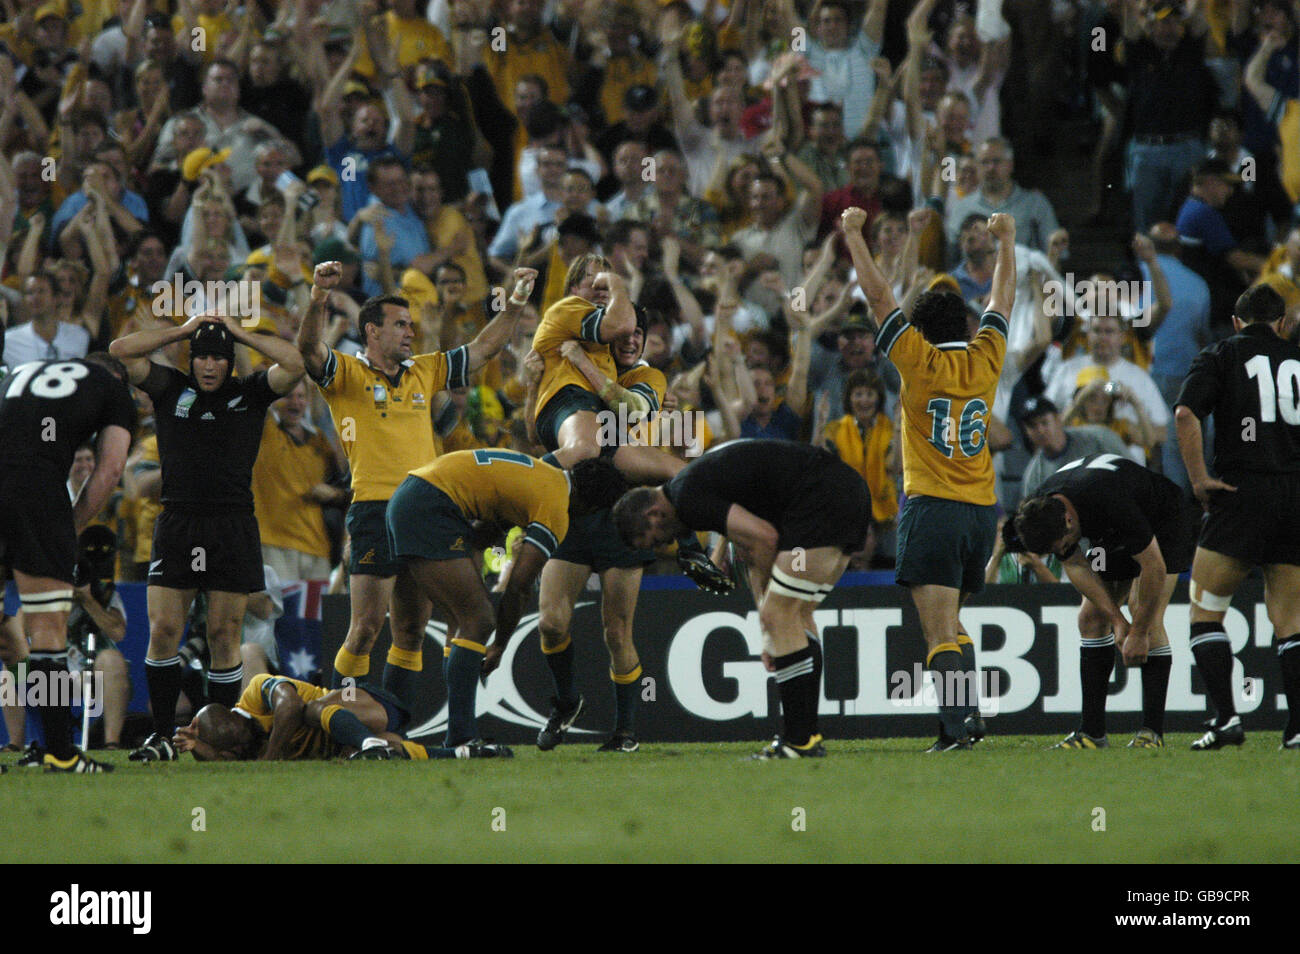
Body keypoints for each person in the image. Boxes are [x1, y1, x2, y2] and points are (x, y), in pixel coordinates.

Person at [295, 263, 537, 704]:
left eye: (410, 324)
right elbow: (309, 348)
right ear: (372, 331)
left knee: (411, 630)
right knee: (365, 627)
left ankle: (394, 724)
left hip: (423, 511)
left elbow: (484, 348)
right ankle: (338, 717)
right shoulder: (346, 374)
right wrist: (318, 297)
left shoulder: (425, 370)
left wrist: (517, 300)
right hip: (374, 509)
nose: (410, 332)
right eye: (400, 324)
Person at [841, 205, 1017, 752]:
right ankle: (972, 717)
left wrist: (853, 233)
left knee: (937, 630)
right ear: (966, 326)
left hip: (933, 508)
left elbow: (878, 297)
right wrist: (1007, 241)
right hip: (980, 512)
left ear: (918, 330)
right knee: (953, 621)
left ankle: (955, 729)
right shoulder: (987, 356)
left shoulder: (916, 359)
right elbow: (1003, 300)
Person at [108, 312, 307, 762]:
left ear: (230, 361)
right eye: (202, 357)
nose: (210, 366)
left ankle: (218, 739)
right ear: (191, 359)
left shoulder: (250, 392)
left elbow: (295, 364)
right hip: (178, 522)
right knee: (164, 629)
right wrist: (184, 330)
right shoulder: (170, 387)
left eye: (218, 357)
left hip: (231, 524)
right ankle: (162, 737)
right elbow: (120, 351)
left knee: (224, 633)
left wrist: (239, 333)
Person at [613, 439, 871, 758]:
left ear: (653, 514)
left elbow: (764, 540)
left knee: (779, 615)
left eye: (653, 539)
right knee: (796, 617)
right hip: (843, 493)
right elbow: (752, 550)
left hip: (822, 500)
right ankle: (807, 737)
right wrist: (770, 623)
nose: (663, 545)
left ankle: (798, 741)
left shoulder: (687, 499)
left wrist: (768, 624)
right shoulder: (691, 488)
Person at [385, 450, 627, 755]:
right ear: (591, 507)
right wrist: (499, 644)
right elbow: (519, 586)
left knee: (444, 624)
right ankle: (461, 738)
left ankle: (392, 734)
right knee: (479, 619)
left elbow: (482, 533)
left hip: (409, 493)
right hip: (432, 506)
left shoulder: (542, 474)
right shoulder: (556, 509)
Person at [528, 308, 672, 753]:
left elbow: (626, 410)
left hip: (622, 517)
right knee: (551, 624)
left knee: (616, 631)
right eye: (623, 334)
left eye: (638, 334)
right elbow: (538, 435)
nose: (631, 341)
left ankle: (625, 731)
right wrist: (534, 384)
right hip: (571, 512)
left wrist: (580, 361)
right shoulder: (577, 370)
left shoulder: (648, 377)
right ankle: (566, 702)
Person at [1174, 285, 1300, 751]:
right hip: (1294, 496)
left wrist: (1198, 479)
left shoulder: (1222, 354)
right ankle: (1297, 729)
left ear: (1235, 322)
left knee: (1205, 611)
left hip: (1242, 491)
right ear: (1282, 324)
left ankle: (1226, 719)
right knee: (1291, 619)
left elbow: (1186, 414)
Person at [0, 352, 135, 772]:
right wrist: (68, 527)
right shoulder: (113, 388)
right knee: (47, 628)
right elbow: (110, 470)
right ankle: (60, 753)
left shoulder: (23, 371)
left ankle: (43, 746)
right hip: (33, 487)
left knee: (9, 634)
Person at [1012, 453, 1196, 749]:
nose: (1063, 551)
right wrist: (1117, 621)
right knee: (1090, 619)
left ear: (1069, 521)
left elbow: (1153, 567)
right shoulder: (1043, 510)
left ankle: (1151, 733)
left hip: (1164, 519)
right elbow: (1075, 564)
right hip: (1109, 528)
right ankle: (1092, 733)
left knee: (1145, 615)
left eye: (1064, 544)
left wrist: (1137, 632)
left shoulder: (1108, 498)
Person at [171, 673, 464, 761]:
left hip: (365, 704)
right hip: (348, 738)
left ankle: (368, 743)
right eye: (233, 751)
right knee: (369, 757)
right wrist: (199, 747)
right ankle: (462, 753)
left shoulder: (256, 692)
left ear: (239, 718)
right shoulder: (239, 747)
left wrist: (271, 757)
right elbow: (225, 760)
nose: (239, 750)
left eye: (238, 742)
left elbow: (290, 706)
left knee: (309, 710)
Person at [1019, 395, 1130, 499]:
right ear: (1026, 431)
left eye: (1044, 422)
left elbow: (1131, 470)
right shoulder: (1033, 476)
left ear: (1057, 419)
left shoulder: (1099, 437)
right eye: (1032, 426)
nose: (1040, 431)